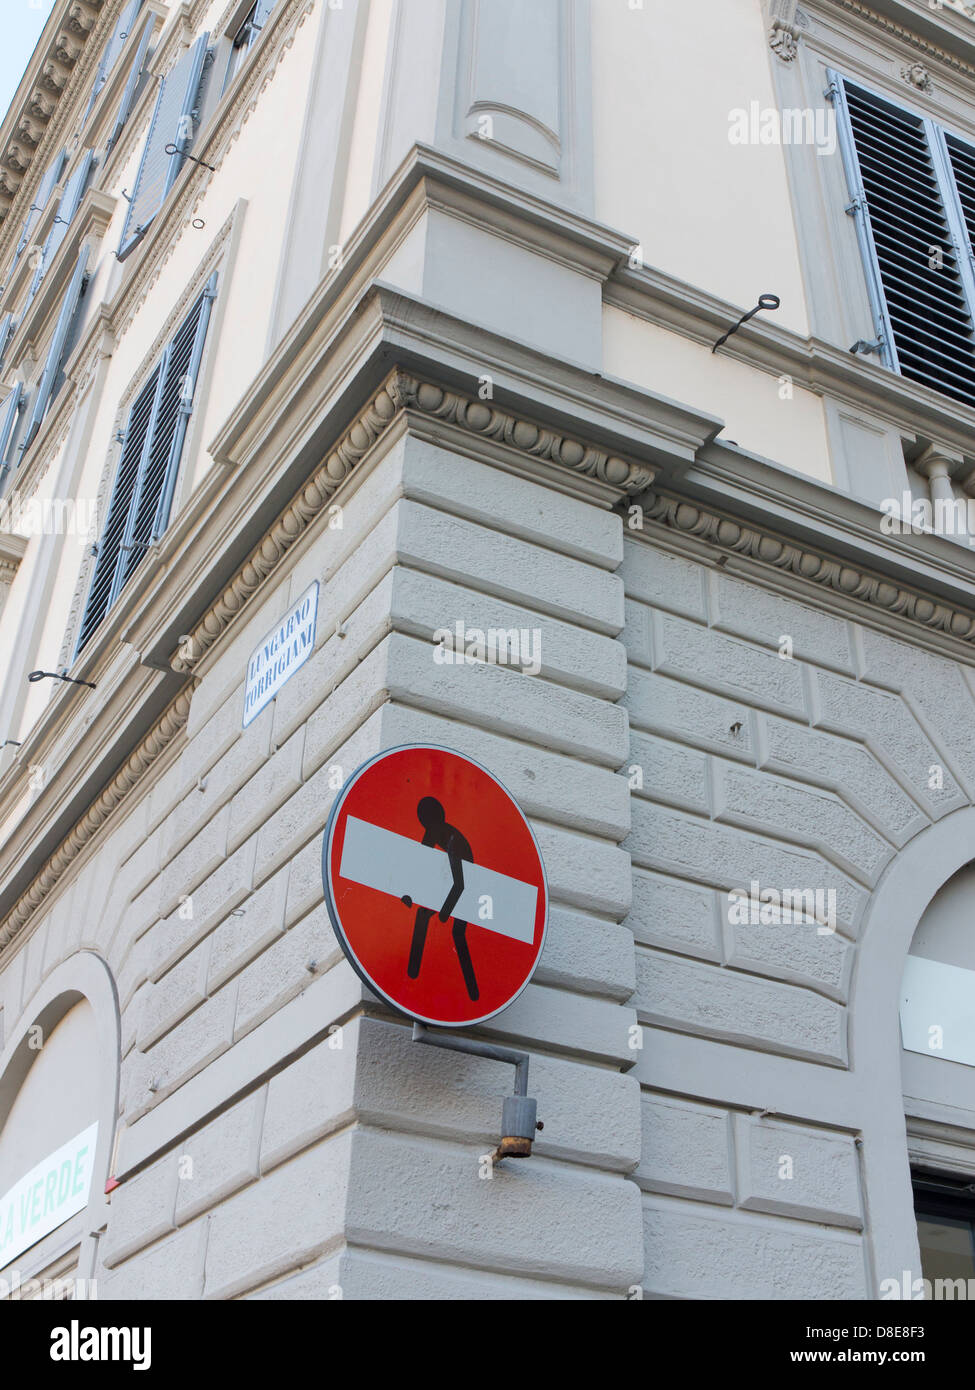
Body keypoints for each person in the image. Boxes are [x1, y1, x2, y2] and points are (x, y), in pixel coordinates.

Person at [401, 797, 479, 1001]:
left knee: (429, 918)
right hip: (463, 883)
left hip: (462, 885)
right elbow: (423, 858)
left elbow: (459, 882)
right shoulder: (443, 831)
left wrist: (446, 909)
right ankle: (474, 995)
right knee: (456, 932)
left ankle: (411, 977)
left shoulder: (443, 833)